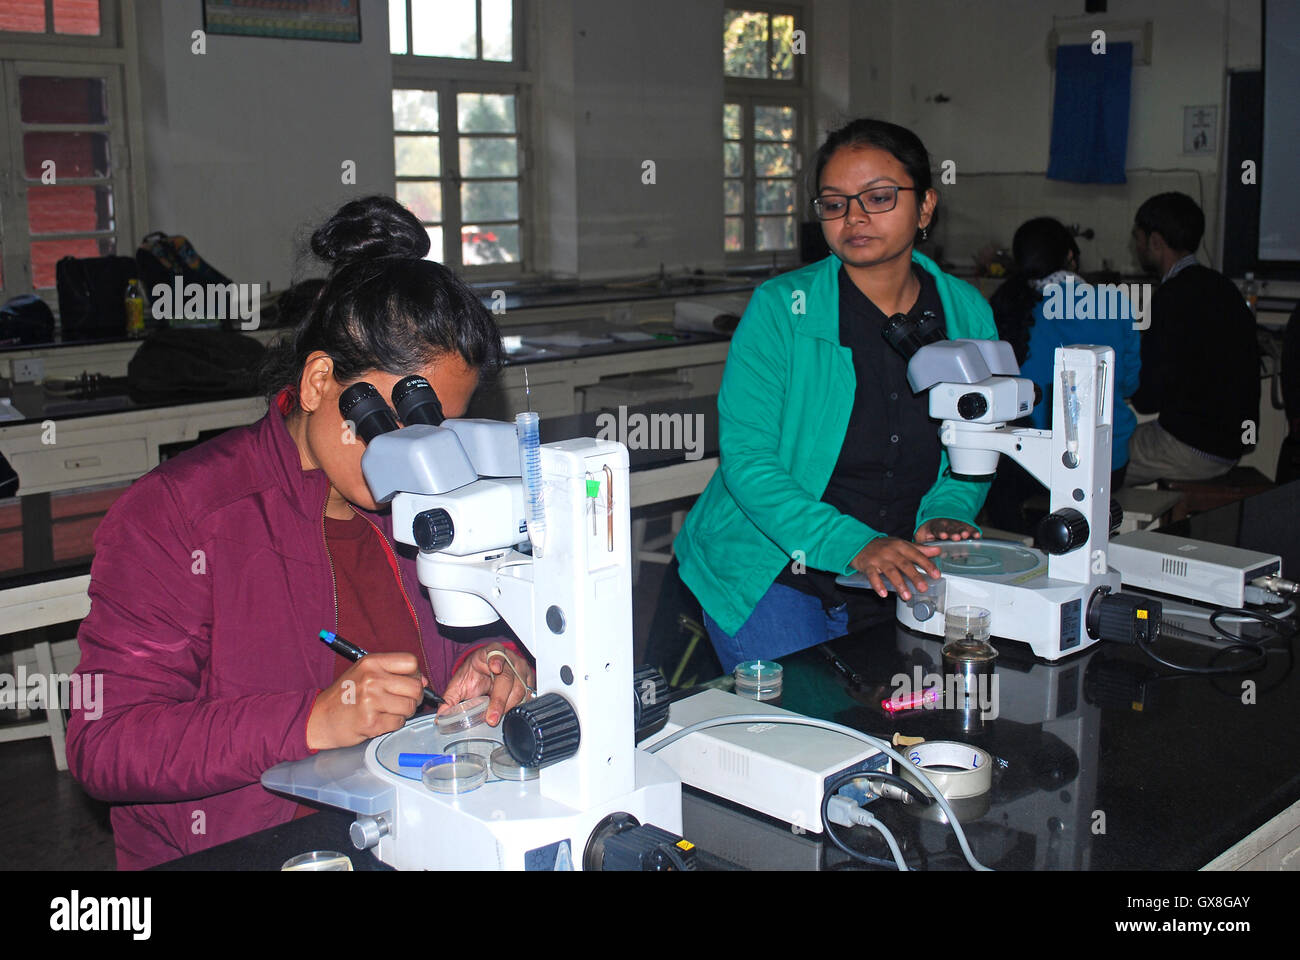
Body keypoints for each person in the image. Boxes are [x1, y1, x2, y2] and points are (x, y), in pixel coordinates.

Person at [65, 196, 534, 869]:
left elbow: (487, 622)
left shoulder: (425, 494)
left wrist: (497, 660)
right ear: (319, 381)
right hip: (246, 849)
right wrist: (312, 719)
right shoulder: (179, 514)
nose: (424, 455)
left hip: (408, 818)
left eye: (441, 426)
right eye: (403, 422)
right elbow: (105, 745)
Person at [674, 118, 997, 673]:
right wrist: (853, 543)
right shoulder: (783, 309)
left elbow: (978, 439)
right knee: (804, 736)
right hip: (772, 568)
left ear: (924, 208)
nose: (854, 218)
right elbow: (749, 463)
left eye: (878, 198)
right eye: (834, 203)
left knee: (903, 728)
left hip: (899, 566)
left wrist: (947, 509)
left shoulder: (965, 311)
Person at [988, 218, 1140, 504]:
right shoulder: (1115, 304)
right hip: (1107, 466)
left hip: (1031, 468)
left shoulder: (1009, 309)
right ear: (1071, 257)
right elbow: (1130, 384)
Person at [1126, 192, 1260, 485]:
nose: (1135, 246)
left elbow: (1147, 399)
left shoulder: (1172, 297)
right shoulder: (1223, 287)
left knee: (1092, 459)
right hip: (1230, 447)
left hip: (1191, 448)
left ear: (1156, 241)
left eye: (1138, 237)